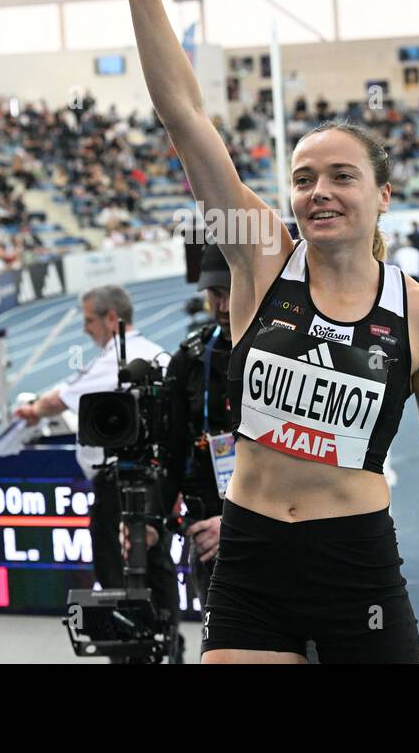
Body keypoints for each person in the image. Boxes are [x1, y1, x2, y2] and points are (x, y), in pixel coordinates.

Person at [95, 0, 419, 664]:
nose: (320, 192)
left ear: (382, 194)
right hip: (252, 557)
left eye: (341, 176)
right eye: (304, 179)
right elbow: (185, 116)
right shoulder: (260, 255)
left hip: (355, 562)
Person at [12, 285, 176, 614]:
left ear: (111, 318)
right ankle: (168, 637)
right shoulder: (161, 354)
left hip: (117, 489)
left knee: (117, 574)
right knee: (158, 564)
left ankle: (127, 647)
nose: (86, 329)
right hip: (160, 485)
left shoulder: (114, 360)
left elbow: (59, 399)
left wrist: (32, 410)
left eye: (89, 320)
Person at [159, 243, 233, 607]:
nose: (225, 306)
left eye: (234, 291)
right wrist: (148, 522)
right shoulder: (188, 360)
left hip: (280, 539)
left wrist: (236, 526)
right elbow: (171, 454)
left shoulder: (291, 355)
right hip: (208, 539)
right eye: (216, 294)